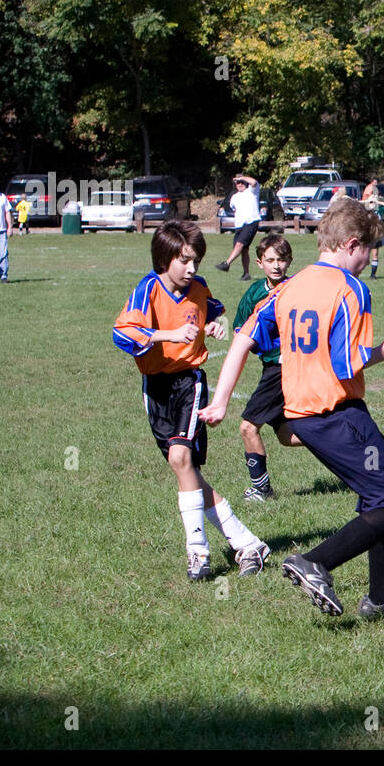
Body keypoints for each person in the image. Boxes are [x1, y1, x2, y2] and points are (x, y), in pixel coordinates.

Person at [200, 197, 384, 618]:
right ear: (351, 245)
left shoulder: (288, 288)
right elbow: (346, 364)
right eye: (368, 250)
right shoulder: (350, 289)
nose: (368, 261)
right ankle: (315, 562)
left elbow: (242, 339)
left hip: (303, 414)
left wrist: (221, 400)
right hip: (335, 413)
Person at [112, 220, 271, 581]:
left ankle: (198, 552)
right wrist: (167, 334)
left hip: (188, 382)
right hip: (155, 388)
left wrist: (215, 325)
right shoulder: (148, 289)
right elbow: (122, 333)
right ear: (163, 258)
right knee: (188, 472)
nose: (192, 268)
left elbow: (214, 312)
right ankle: (248, 544)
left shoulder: (198, 288)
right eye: (184, 260)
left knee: (181, 458)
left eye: (195, 260)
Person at [232, 234, 294, 502]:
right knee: (286, 435)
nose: (276, 265)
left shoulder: (296, 289)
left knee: (248, 427)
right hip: (269, 367)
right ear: (259, 263)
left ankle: (261, 490)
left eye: (281, 259)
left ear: (289, 261)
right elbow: (239, 327)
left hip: (283, 369)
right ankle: (342, 440)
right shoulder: (255, 292)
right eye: (270, 260)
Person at [215, 173, 260, 280]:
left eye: (242, 182)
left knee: (239, 244)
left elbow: (254, 182)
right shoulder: (234, 197)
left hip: (251, 222)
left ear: (246, 182)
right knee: (243, 249)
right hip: (239, 226)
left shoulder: (252, 191)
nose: (240, 184)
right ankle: (246, 274)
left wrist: (241, 177)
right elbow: (235, 209)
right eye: (237, 182)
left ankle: (226, 264)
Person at [361, 179, 384, 278]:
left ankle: (373, 274)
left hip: (376, 234)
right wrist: (368, 201)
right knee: (362, 254)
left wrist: (378, 202)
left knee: (375, 254)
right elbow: (357, 203)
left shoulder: (379, 208)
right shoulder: (366, 208)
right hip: (367, 233)